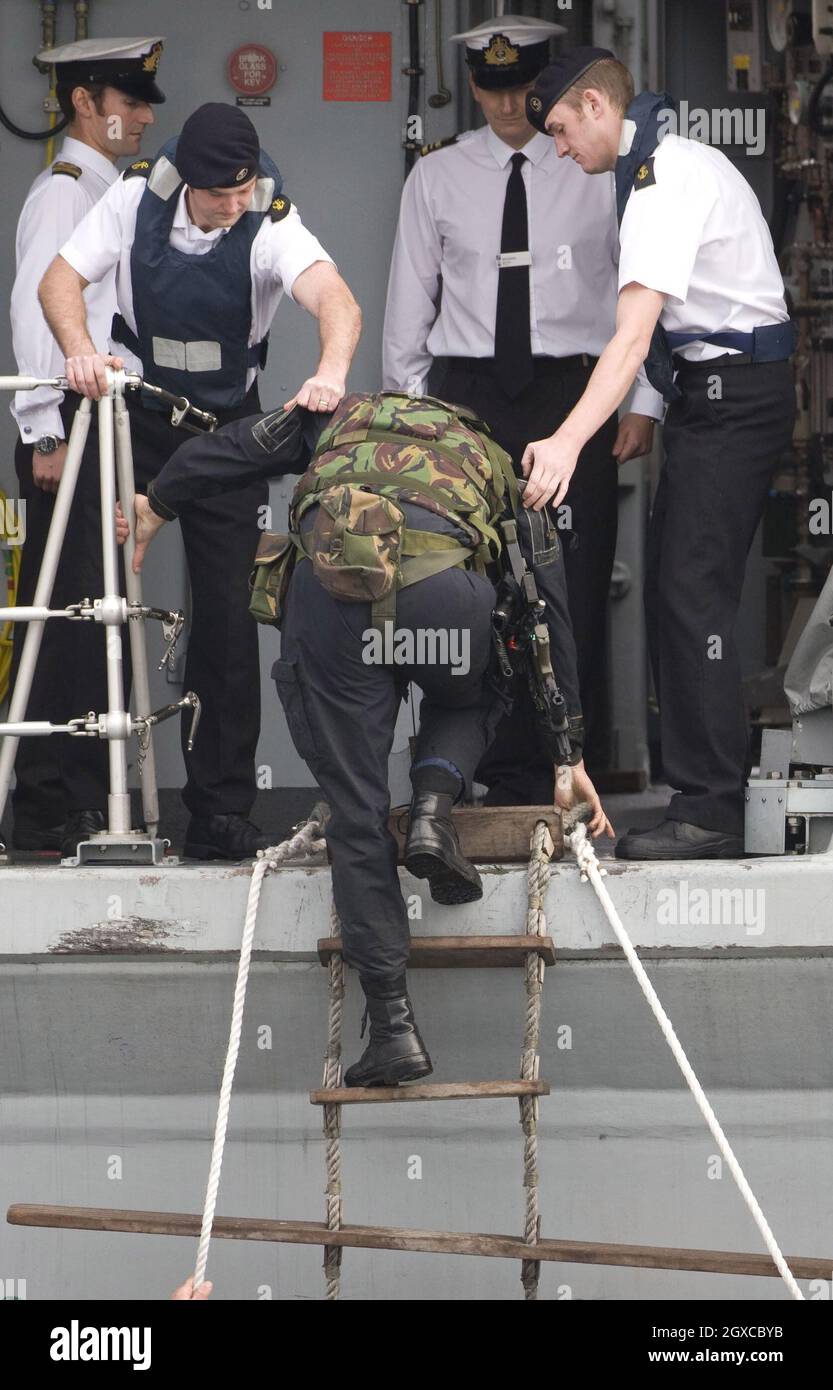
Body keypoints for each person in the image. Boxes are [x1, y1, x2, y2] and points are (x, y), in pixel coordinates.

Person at [121, 390, 613, 1085]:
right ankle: (434, 811)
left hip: (333, 600)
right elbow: (546, 607)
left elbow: (235, 448)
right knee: (479, 682)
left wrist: (157, 503)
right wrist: (570, 753)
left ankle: (393, 1029)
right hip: (442, 603)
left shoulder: (338, 419)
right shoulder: (497, 460)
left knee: (354, 815)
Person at [38, 101, 361, 861]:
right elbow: (60, 282)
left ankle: (219, 810)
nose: (235, 205)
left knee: (224, 618)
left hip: (223, 434)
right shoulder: (135, 197)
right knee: (90, 597)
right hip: (130, 418)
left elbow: (334, 300)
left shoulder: (270, 219)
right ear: (191, 183)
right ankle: (72, 798)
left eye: (245, 189)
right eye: (222, 194)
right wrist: (82, 351)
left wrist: (329, 374)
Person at [522, 48, 797, 859]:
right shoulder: (669, 159)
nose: (562, 150)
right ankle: (699, 793)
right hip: (713, 395)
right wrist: (646, 406)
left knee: (690, 595)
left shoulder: (657, 184)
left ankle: (709, 809)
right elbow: (681, 324)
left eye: (564, 130)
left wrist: (568, 440)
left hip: (731, 400)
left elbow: (635, 331)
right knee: (683, 594)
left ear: (598, 107)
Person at [382, 16, 662, 799]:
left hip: (571, 390)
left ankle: (569, 763)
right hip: (466, 396)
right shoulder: (436, 176)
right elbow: (410, 307)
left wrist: (639, 403)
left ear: (550, 92)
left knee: (570, 579)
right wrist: (407, 423)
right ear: (471, 87)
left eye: (520, 88)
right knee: (471, 584)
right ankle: (492, 775)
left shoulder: (594, 166)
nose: (506, 104)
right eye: (489, 86)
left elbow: (634, 292)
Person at [8, 37, 165, 852]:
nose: (141, 116)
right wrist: (44, 431)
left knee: (90, 608)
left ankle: (77, 789)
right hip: (69, 428)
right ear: (84, 103)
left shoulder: (110, 189)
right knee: (67, 615)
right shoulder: (67, 194)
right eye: (129, 101)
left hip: (103, 422)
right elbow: (40, 312)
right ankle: (44, 797)